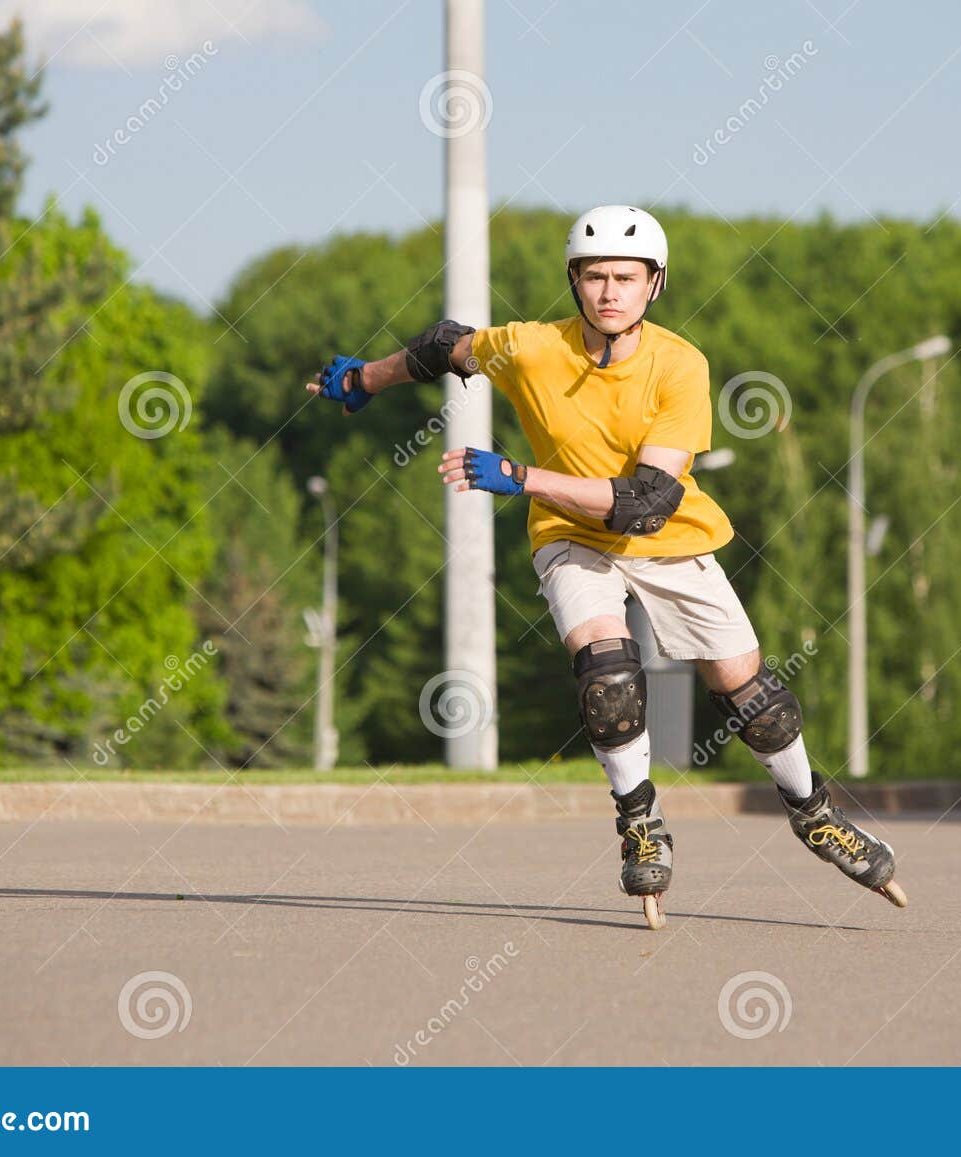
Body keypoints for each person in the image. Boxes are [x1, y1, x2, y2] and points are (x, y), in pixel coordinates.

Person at [305, 204, 902, 926]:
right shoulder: (529, 347)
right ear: (574, 282)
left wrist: (523, 476)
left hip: (667, 532)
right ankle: (640, 821)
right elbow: (446, 346)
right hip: (570, 534)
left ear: (655, 284)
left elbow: (647, 501)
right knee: (607, 673)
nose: (609, 291)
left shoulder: (680, 364)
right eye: (594, 277)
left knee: (749, 693)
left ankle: (814, 815)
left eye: (626, 276)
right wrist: (366, 378)